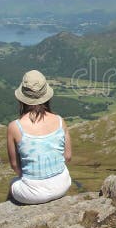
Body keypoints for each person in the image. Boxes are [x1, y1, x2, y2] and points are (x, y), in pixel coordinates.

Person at [6, 69, 72, 204]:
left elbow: (14, 165)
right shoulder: (60, 120)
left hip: (32, 194)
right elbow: (68, 156)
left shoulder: (14, 127)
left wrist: (35, 180)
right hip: (63, 185)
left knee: (13, 183)